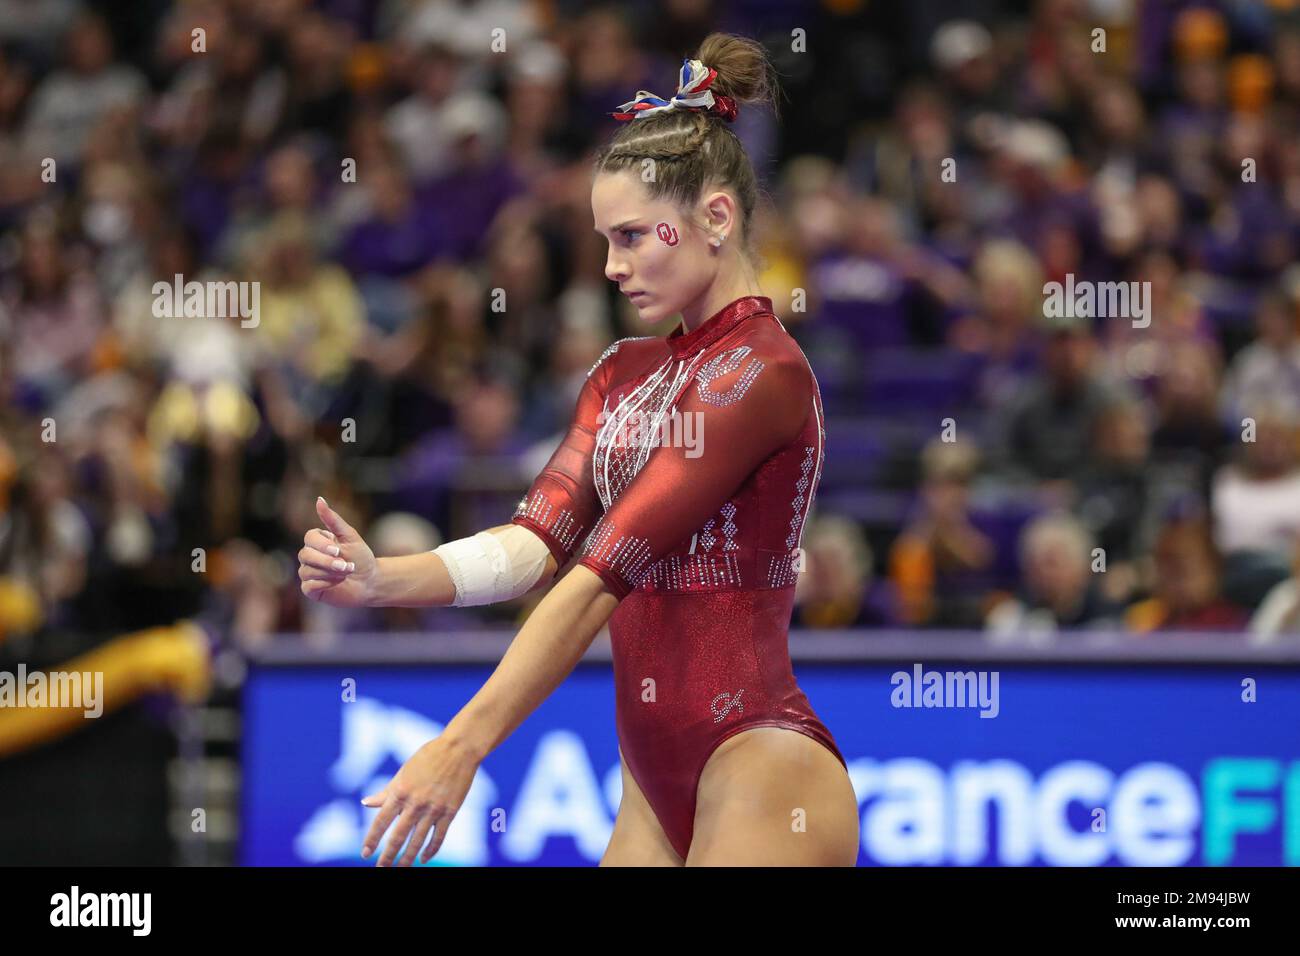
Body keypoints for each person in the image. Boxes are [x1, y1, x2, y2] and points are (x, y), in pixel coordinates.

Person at [296, 34, 858, 867]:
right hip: (650, 782)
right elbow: (534, 545)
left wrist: (461, 745)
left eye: (632, 237)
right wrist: (386, 579)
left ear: (715, 217)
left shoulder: (760, 374)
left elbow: (600, 574)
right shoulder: (622, 372)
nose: (609, 265)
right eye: (603, 240)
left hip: (761, 762)